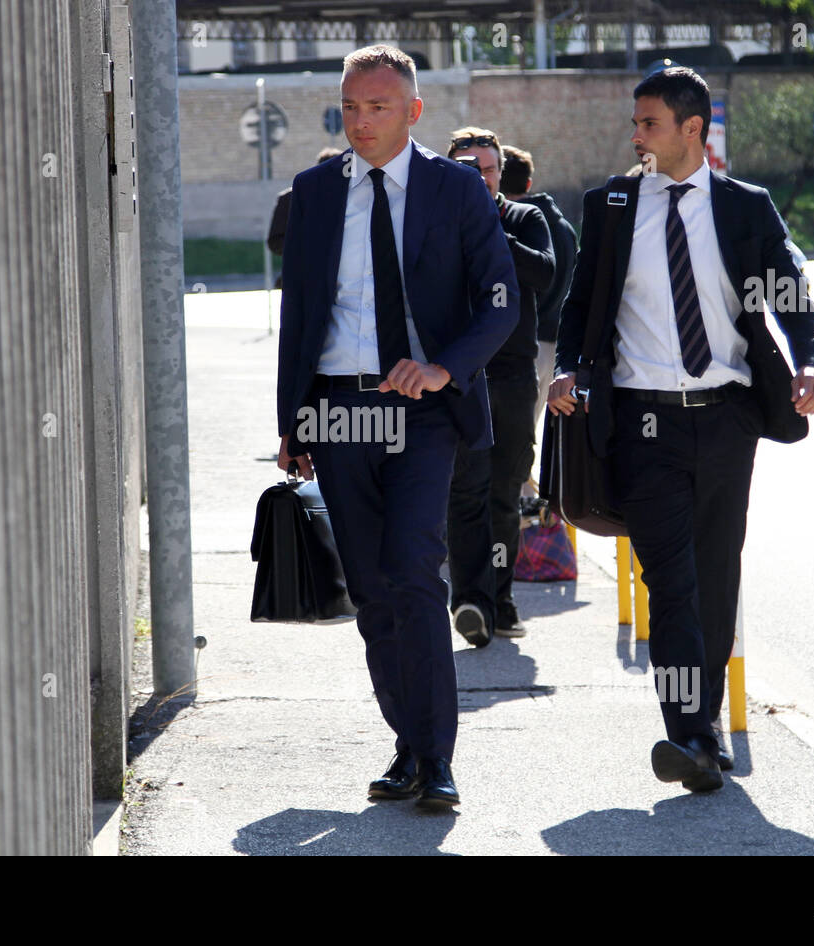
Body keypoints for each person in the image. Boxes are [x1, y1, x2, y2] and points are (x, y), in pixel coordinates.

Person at [547, 66, 814, 793]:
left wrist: (812, 366)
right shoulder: (611, 206)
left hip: (728, 416)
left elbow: (788, 295)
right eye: (636, 123)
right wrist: (570, 368)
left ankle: (700, 734)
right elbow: (581, 304)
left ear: (692, 129)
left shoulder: (743, 208)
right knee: (668, 581)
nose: (635, 135)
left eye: (649, 124)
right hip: (642, 422)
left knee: (713, 574)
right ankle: (691, 732)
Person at [276, 45, 518, 809]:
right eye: (350, 107)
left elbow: (501, 300)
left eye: (377, 107)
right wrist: (293, 420)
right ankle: (409, 743)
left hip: (421, 413)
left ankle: (438, 759)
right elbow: (300, 315)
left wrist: (444, 366)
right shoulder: (315, 192)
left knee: (415, 572)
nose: (361, 121)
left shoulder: (454, 190)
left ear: (413, 111)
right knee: (374, 591)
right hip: (341, 409)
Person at [445, 129, 554, 642]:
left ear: (500, 173)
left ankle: (500, 598)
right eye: (468, 169)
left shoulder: (523, 218)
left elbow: (545, 275)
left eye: (486, 169)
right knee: (460, 493)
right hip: (451, 377)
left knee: (504, 495)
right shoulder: (434, 218)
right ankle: (470, 599)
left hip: (510, 378)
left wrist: (489, 224)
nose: (479, 177)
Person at [499, 145, 577, 433]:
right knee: (527, 432)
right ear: (528, 182)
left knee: (516, 434)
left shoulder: (523, 224)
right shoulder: (564, 227)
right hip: (555, 341)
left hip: (526, 343)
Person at [266, 147, 344, 287]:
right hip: (302, 278)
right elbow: (275, 241)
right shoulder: (291, 198)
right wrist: (308, 247)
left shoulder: (350, 197)